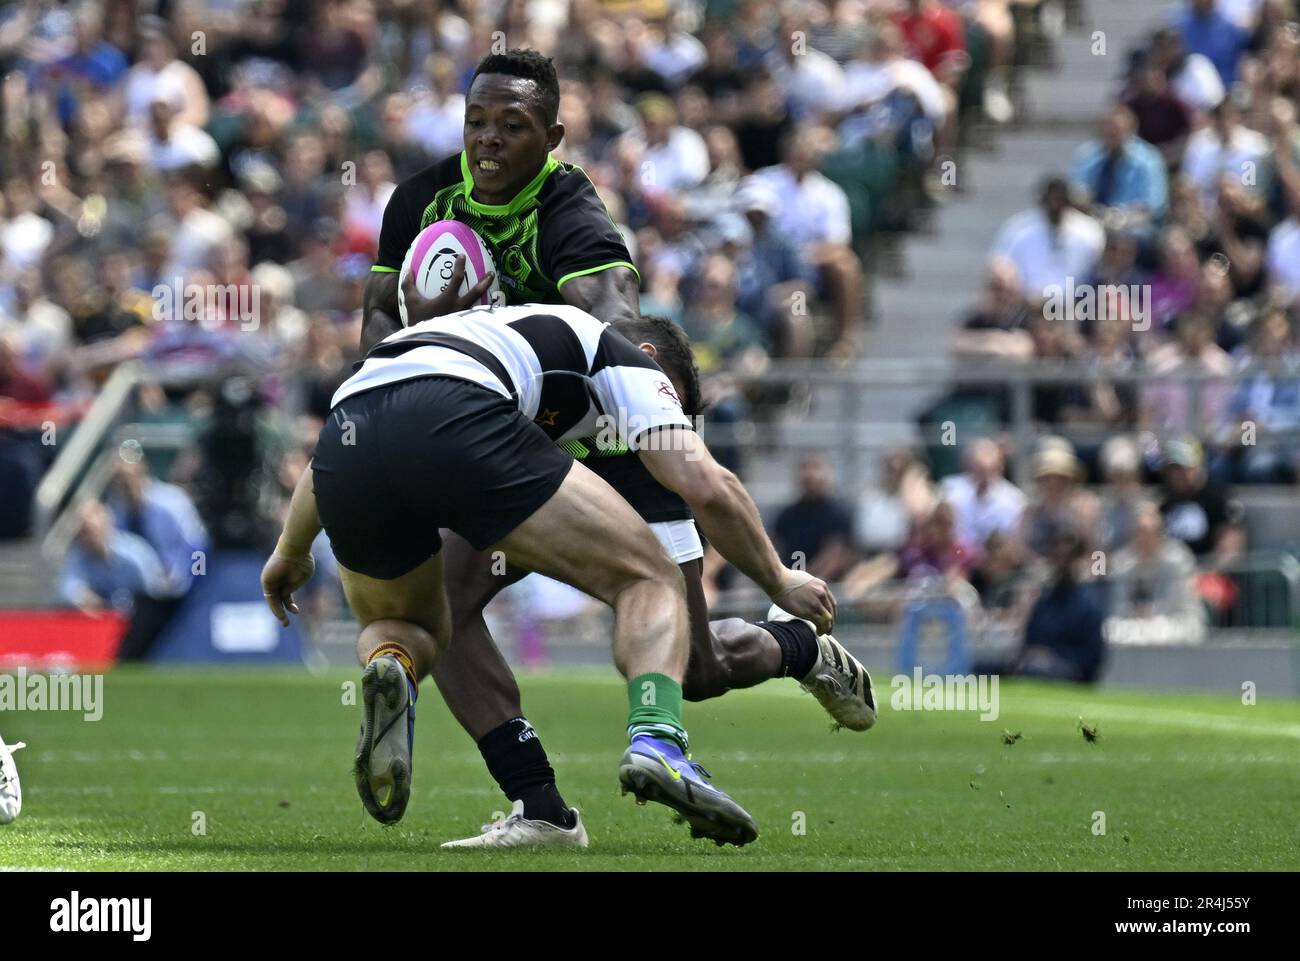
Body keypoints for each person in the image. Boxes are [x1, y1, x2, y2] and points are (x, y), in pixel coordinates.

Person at [360, 50, 874, 849]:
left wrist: (771, 570)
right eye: (476, 123)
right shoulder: (421, 200)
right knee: (444, 606)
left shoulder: (573, 214)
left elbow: (615, 328)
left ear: (554, 137)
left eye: (512, 127)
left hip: (610, 434)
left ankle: (799, 646)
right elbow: (377, 330)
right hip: (511, 445)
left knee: (698, 669)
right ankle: (541, 807)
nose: (488, 142)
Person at [260, 303, 850, 849]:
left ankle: (415, 682)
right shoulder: (616, 354)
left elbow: (326, 460)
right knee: (649, 578)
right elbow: (707, 485)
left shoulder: (504, 331)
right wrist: (778, 578)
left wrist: (290, 550)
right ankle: (658, 743)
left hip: (349, 427)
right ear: (652, 365)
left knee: (421, 619)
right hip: (457, 413)